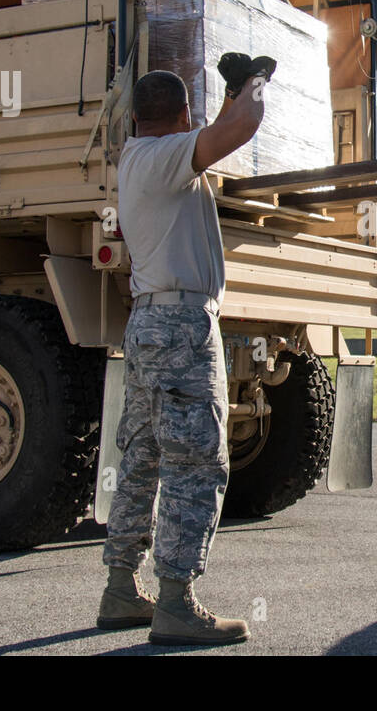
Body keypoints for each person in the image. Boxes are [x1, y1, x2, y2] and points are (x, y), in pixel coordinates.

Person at [96, 55, 273, 646]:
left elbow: (212, 134)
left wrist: (227, 93)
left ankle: (121, 588)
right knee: (197, 463)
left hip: (148, 322)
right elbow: (237, 131)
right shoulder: (166, 157)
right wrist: (254, 84)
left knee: (144, 459)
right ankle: (176, 601)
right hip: (180, 327)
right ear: (181, 115)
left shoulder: (139, 157)